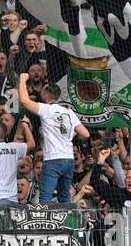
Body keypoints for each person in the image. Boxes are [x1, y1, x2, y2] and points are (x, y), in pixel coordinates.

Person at [18, 73, 89, 203]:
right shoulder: (69, 112)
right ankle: (66, 222)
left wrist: (22, 79)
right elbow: (85, 134)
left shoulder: (46, 109)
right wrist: (66, 136)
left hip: (53, 160)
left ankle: (44, 223)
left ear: (46, 95)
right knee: (65, 196)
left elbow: (24, 101)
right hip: (68, 160)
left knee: (45, 197)